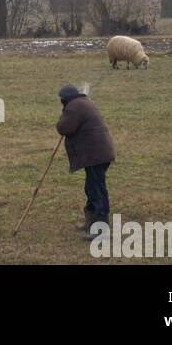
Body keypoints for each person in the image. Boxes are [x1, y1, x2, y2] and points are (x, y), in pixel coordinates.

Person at [55, 85, 116, 235]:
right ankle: (91, 222)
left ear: (65, 99)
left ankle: (101, 228)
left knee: (96, 189)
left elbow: (63, 128)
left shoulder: (74, 107)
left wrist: (64, 113)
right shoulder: (84, 103)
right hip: (99, 152)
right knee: (91, 187)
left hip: (95, 154)